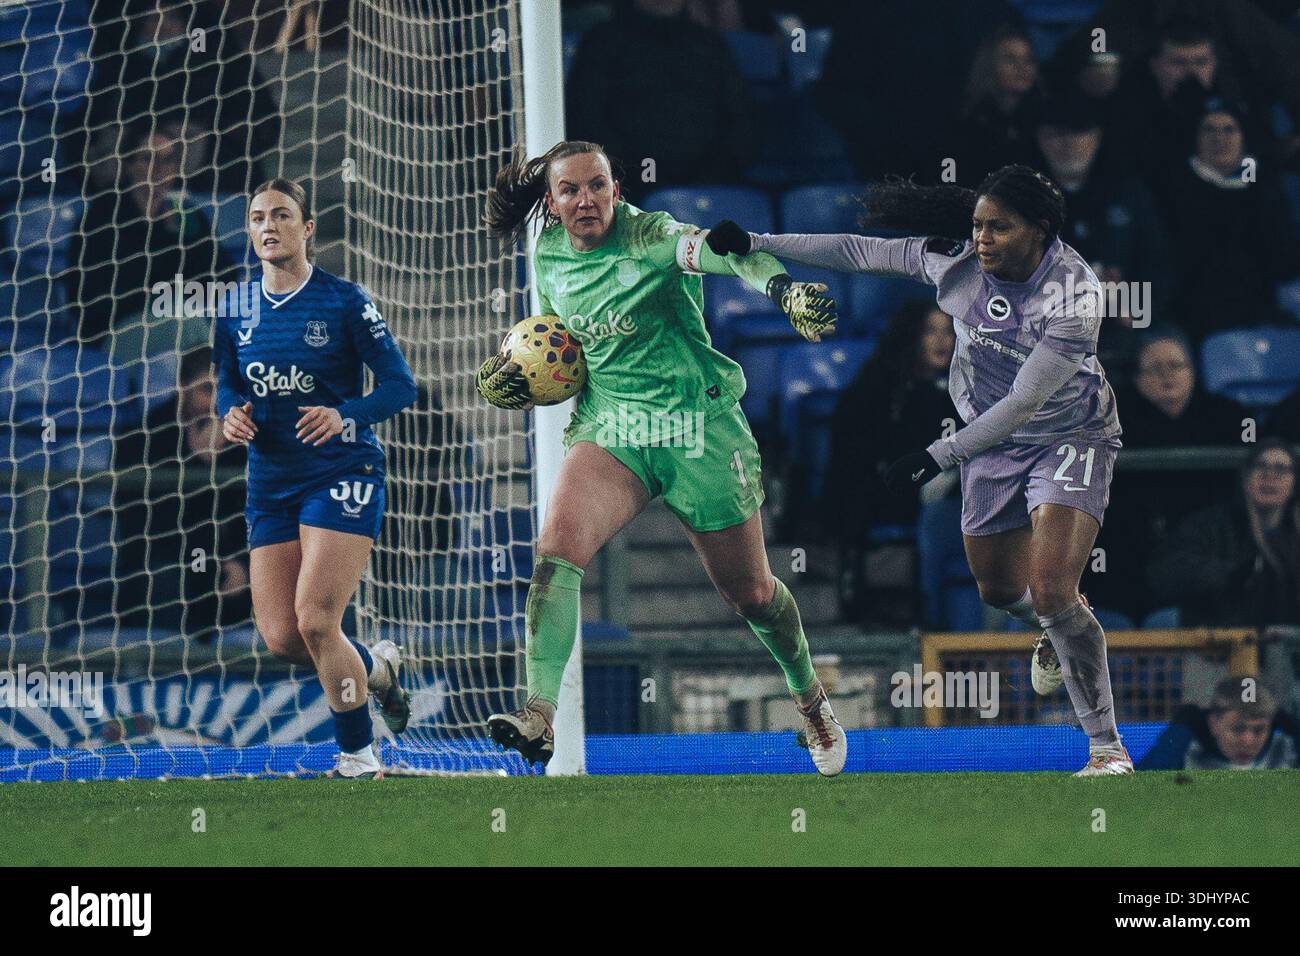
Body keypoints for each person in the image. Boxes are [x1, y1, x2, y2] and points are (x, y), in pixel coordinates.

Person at [707, 165, 1134, 776]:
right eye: (979, 225)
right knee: (996, 589)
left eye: (999, 228)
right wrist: (758, 242)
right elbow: (859, 250)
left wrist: (939, 455)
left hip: (1070, 435)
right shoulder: (956, 259)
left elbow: (1023, 404)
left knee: (1051, 590)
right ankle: (1059, 616)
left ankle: (1107, 748)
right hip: (989, 443)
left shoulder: (1075, 295)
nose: (982, 239)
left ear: (1040, 231)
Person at [476, 140, 848, 776]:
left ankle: (810, 700)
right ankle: (538, 712)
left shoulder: (654, 236)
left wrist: (782, 291)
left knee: (752, 595)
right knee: (556, 553)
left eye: (597, 185)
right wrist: (524, 372)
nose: (586, 199)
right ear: (552, 201)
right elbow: (563, 345)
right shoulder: (548, 253)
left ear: (616, 190)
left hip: (698, 431)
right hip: (613, 428)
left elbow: (722, 251)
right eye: (570, 190)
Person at [214, 177, 419, 779]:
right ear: (249, 232)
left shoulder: (344, 301)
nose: (268, 226)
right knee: (283, 638)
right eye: (257, 218)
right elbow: (228, 379)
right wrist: (231, 413)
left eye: (281, 215)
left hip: (342, 472)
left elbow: (399, 386)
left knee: (316, 619)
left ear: (307, 229)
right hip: (269, 482)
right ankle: (377, 672)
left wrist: (343, 414)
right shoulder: (236, 307)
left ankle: (357, 755)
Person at [826, 300, 957, 622]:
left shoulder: (965, 389)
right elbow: (859, 458)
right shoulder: (879, 387)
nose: (942, 341)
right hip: (890, 492)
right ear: (913, 337)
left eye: (949, 332)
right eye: (931, 331)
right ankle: (929, 614)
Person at [113, 346, 251, 637]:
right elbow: (148, 520)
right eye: (206, 389)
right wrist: (197, 460)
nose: (216, 402)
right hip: (167, 555)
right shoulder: (142, 438)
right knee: (166, 577)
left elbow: (247, 511)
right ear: (182, 387)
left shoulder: (242, 438)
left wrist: (236, 559)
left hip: (222, 554)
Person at [563, 0, 757, 205]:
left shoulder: (711, 44)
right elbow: (585, 118)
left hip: (708, 187)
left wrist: (707, 175)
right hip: (627, 192)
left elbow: (742, 123)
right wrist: (633, 174)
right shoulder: (601, 42)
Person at [69, 123, 241, 353]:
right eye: (148, 158)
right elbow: (99, 296)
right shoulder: (102, 217)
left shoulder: (185, 213)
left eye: (167, 160)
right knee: (190, 328)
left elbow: (222, 275)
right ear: (129, 165)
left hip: (181, 318)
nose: (158, 169)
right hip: (116, 333)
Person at [1148, 97, 1300, 342]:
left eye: (1229, 129)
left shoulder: (1263, 189)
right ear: (1195, 138)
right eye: (1209, 129)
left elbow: (1286, 262)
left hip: (1259, 315)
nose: (1220, 138)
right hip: (1192, 317)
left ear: (1243, 137)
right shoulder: (1172, 190)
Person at [1148, 439, 1300, 628]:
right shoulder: (1210, 524)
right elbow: (1164, 571)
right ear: (1245, 478)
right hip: (1219, 637)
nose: (1270, 475)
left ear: (1294, 484)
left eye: (1281, 469)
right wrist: (1235, 575)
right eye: (1260, 466)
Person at [1114, 332, 1248, 447]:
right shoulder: (1116, 423)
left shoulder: (1229, 415)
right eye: (1155, 368)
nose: (1166, 374)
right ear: (1138, 380)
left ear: (1192, 373)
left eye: (1175, 366)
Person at [1139, 677, 1299, 769]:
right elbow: (1140, 787)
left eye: (1259, 730)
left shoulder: (1284, 749)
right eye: (1238, 729)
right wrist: (1181, 728)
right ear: (1214, 724)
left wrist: (1291, 725)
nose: (1248, 741)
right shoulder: (1188, 752)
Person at [955, 24, 1044, 186]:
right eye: (1010, 59)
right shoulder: (970, 125)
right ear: (989, 65)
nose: (1021, 67)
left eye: (1028, 59)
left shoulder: (1042, 122)